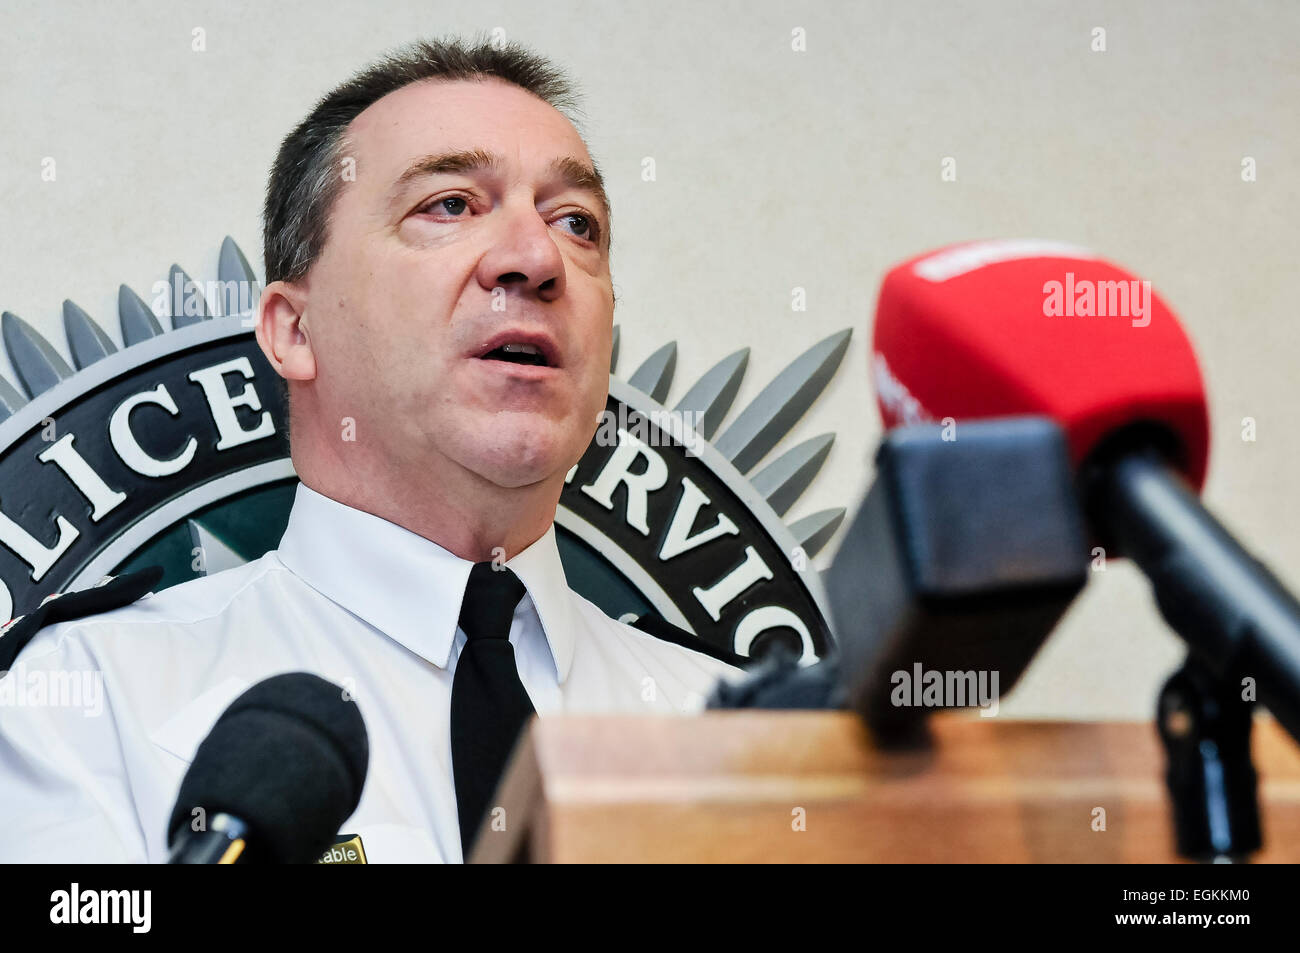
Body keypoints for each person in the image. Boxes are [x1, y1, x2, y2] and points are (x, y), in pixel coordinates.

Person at [0, 35, 743, 863]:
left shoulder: (745, 740)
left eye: (578, 224)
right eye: (451, 205)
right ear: (295, 329)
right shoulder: (86, 701)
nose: (537, 259)